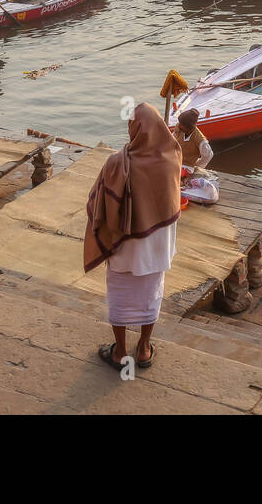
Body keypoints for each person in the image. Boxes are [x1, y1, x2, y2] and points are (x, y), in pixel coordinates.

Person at [84, 102, 182, 372]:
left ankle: (120, 352)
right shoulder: (173, 155)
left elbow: (98, 205)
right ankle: (144, 348)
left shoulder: (117, 162)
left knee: (120, 296)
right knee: (151, 294)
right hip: (157, 246)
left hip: (124, 246)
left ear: (134, 128)